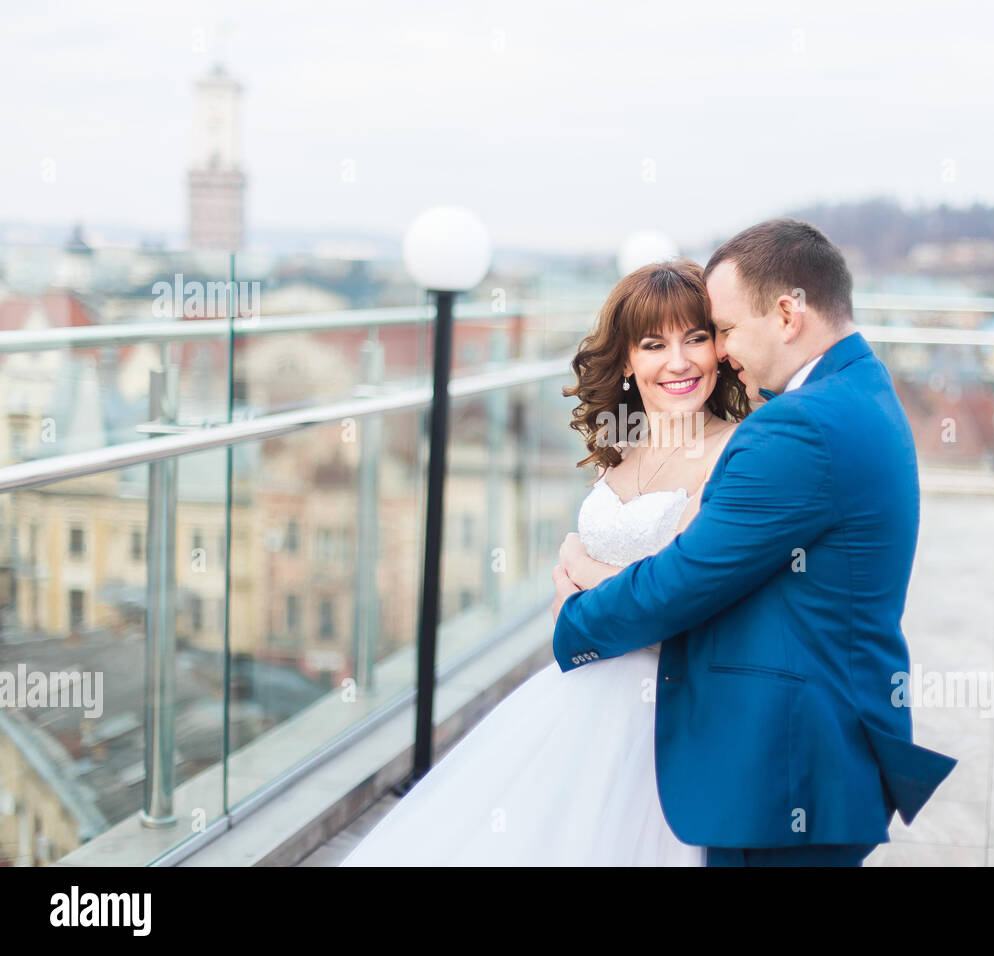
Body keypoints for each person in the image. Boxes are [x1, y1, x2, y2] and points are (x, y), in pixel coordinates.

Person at [552, 218, 958, 867]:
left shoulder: (796, 427)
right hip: (791, 738)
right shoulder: (859, 388)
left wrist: (575, 612)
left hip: (786, 758)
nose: (720, 351)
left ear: (789, 313)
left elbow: (682, 582)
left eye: (722, 330)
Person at [340, 258, 748, 865]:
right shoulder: (626, 442)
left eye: (696, 337)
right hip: (580, 685)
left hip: (663, 704)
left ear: (721, 347)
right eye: (654, 343)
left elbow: (682, 599)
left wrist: (581, 574)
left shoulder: (735, 450)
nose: (680, 361)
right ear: (629, 361)